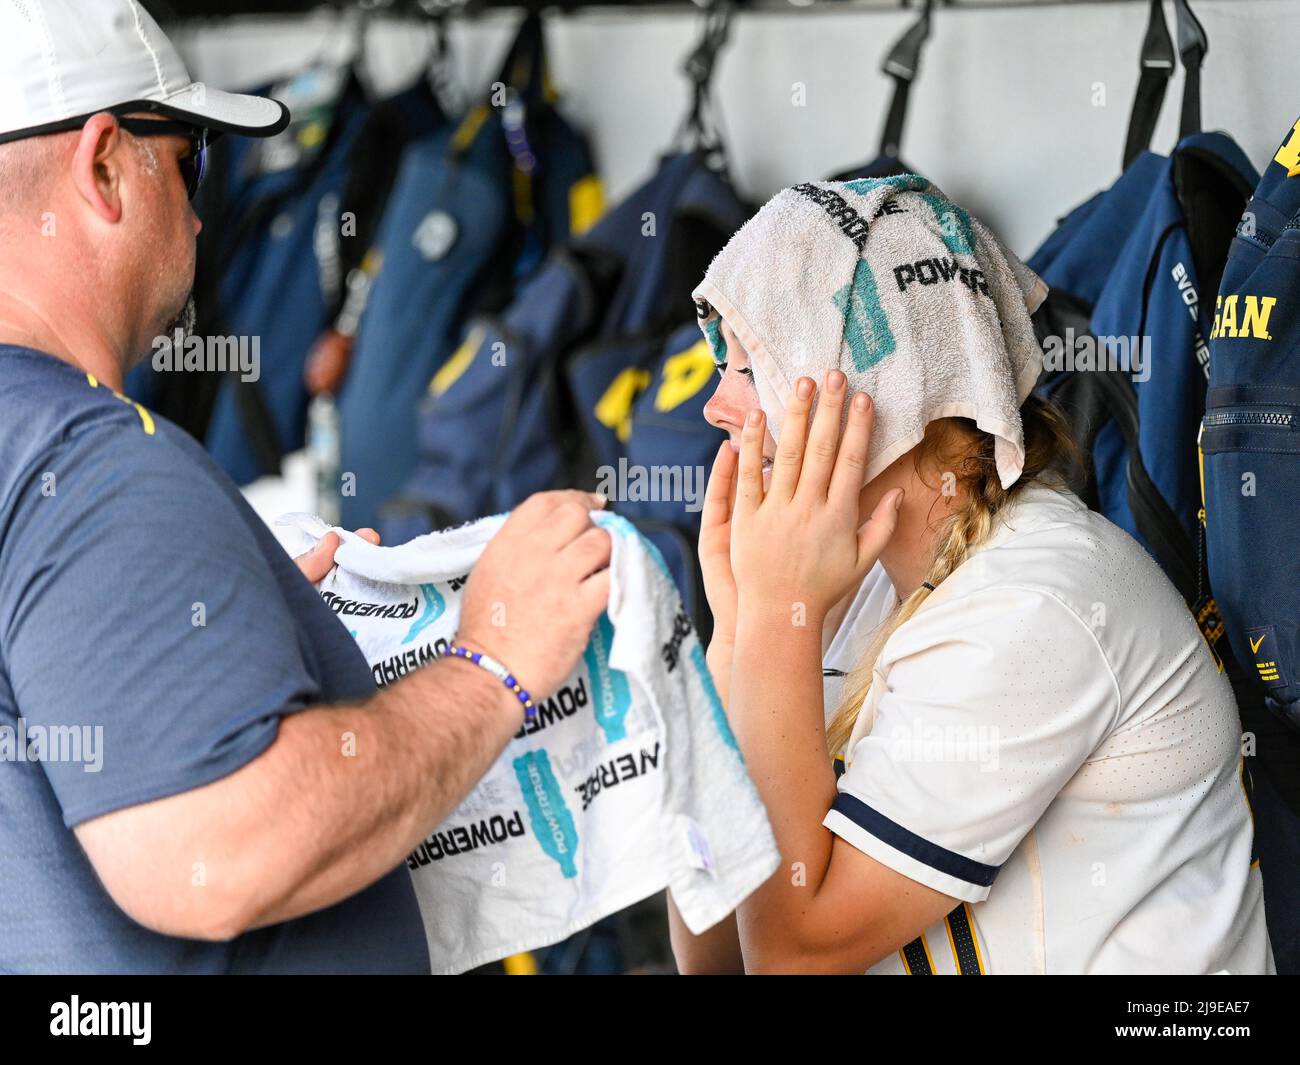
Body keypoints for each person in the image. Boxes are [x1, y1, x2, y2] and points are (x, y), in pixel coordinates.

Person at [0, 0, 610, 973]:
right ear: (104, 166)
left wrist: (243, 628)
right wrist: (496, 660)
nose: (199, 211)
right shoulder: (97, 468)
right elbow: (214, 855)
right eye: (189, 159)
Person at [668, 181, 1273, 974]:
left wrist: (774, 614)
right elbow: (712, 952)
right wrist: (737, 635)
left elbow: (788, 955)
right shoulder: (863, 586)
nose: (715, 406)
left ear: (883, 386)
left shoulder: (1034, 602)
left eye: (752, 369)